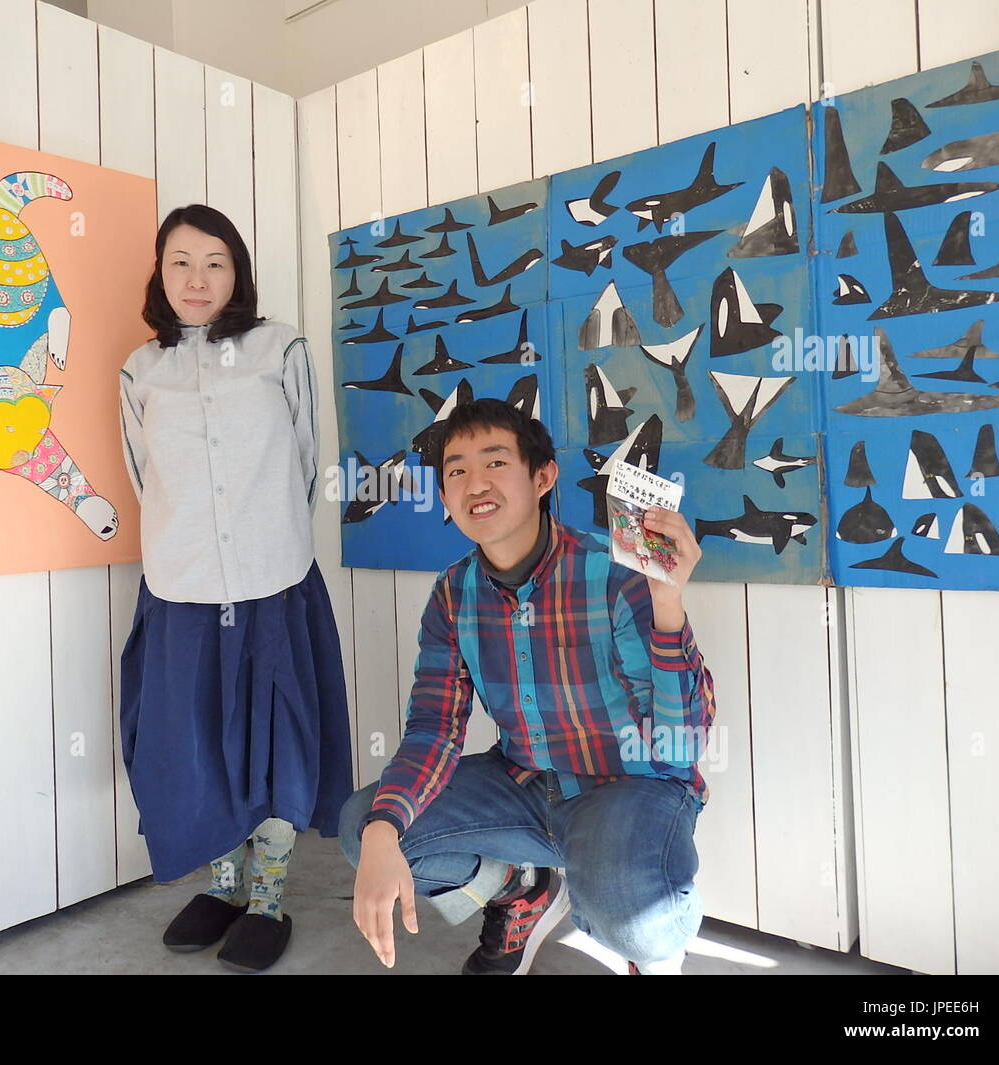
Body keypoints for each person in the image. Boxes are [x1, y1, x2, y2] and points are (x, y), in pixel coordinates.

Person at [339, 398, 716, 975]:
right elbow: (433, 730)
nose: (474, 483)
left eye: (495, 463)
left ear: (543, 477)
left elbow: (681, 744)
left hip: (631, 784)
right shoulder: (452, 593)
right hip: (523, 784)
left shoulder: (618, 574)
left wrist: (668, 605)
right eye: (456, 471)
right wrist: (386, 828)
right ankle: (517, 887)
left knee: (636, 922)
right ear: (443, 496)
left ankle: (641, 925)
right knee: (365, 826)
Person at [118, 203, 352, 973]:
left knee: (278, 744)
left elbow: (305, 457)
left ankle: (268, 898)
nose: (197, 277)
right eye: (180, 260)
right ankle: (222, 886)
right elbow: (145, 477)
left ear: (239, 272)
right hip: (181, 589)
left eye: (215, 261)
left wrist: (259, 540)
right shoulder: (139, 370)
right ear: (160, 271)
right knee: (198, 746)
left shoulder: (278, 348)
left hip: (271, 581)